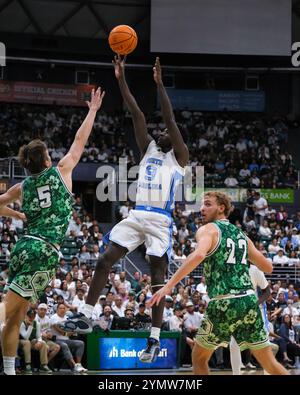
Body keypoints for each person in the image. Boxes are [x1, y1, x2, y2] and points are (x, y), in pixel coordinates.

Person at [63, 56, 189, 364]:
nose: (162, 130)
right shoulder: (147, 148)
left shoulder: (180, 158)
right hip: (137, 214)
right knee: (105, 259)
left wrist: (160, 85)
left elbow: (170, 120)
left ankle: (155, 339)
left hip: (160, 221)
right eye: (159, 130)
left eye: (167, 132)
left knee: (158, 277)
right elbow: (136, 113)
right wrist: (121, 78)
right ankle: (88, 315)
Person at [0, 87, 105, 375]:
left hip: (22, 248)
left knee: (16, 316)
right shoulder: (62, 170)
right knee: (8, 311)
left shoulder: (22, 187)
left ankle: (9, 371)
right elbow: (79, 139)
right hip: (43, 250)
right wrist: (93, 110)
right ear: (46, 160)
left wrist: (18, 213)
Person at [150, 191, 288, 375]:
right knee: (270, 364)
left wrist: (168, 285)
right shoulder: (241, 235)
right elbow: (268, 266)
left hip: (223, 302)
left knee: (199, 359)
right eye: (202, 204)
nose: (201, 208)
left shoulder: (208, 229)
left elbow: (198, 255)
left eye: (207, 204)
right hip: (248, 302)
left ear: (221, 208)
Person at [229, 264, 271, 375]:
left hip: (255, 311)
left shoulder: (255, 269)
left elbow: (267, 292)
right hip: (238, 312)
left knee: (263, 345)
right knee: (233, 345)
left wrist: (255, 304)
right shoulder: (231, 269)